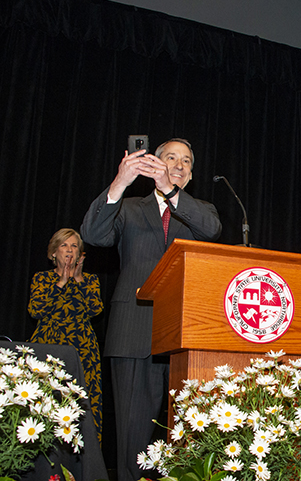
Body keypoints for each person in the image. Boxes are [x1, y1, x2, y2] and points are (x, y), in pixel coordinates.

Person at [80, 138, 221, 481]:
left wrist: (171, 193)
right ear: (152, 165)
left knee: (193, 433)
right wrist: (121, 182)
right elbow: (93, 233)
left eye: (186, 161)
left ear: (189, 174)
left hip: (188, 336)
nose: (179, 165)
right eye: (171, 157)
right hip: (134, 331)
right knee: (133, 435)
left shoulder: (200, 210)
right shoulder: (129, 207)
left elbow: (213, 231)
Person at [28, 228, 104, 442]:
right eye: (64, 245)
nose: (69, 250)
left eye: (74, 246)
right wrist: (61, 283)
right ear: (54, 253)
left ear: (80, 254)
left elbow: (95, 309)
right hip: (48, 347)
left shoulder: (89, 280)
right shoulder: (42, 278)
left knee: (82, 403)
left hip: (82, 349)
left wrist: (77, 279)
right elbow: (36, 310)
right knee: (46, 403)